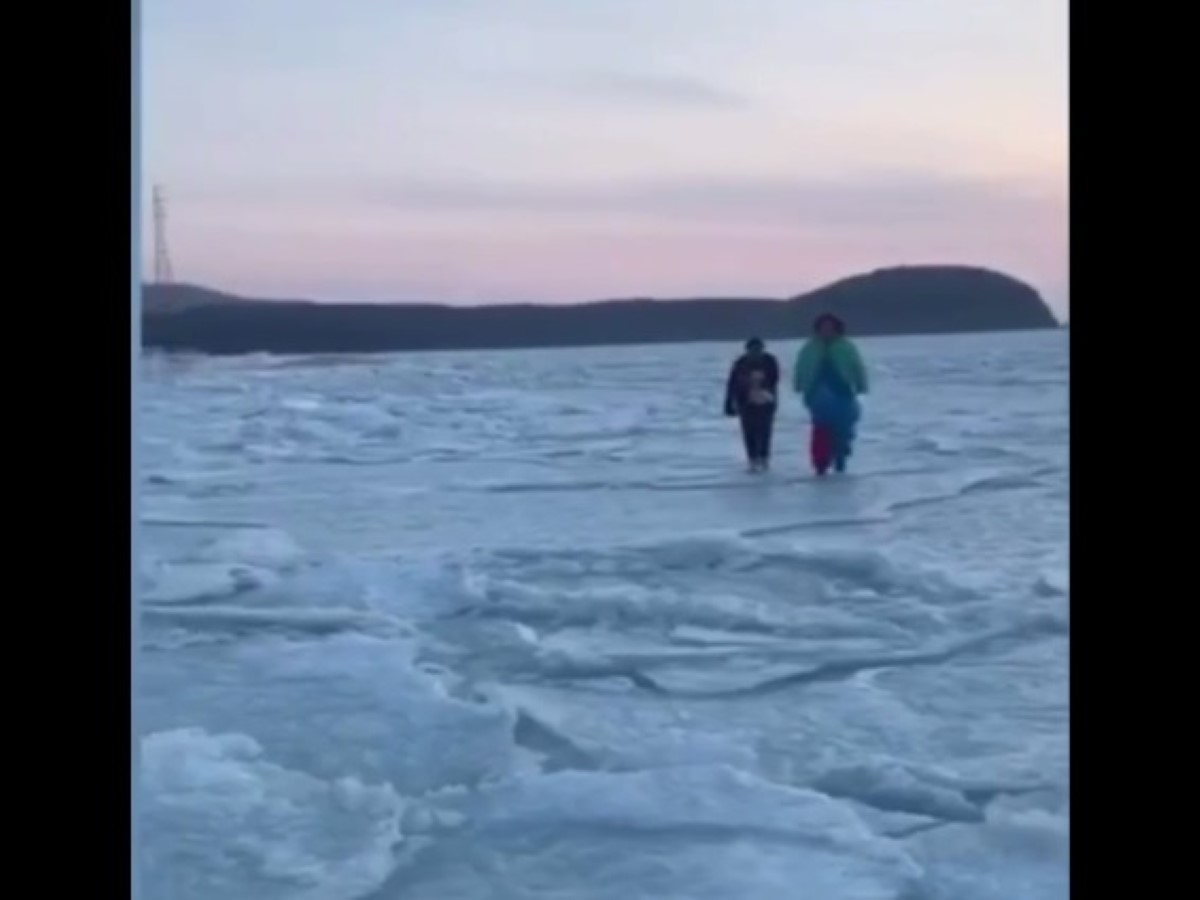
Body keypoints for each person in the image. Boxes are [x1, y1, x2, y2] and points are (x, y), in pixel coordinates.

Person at [792, 313, 868, 475]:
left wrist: (861, 384)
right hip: (817, 391)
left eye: (830, 327)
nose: (826, 330)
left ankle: (840, 455)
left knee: (843, 427)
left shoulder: (846, 347)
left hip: (842, 391)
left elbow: (857, 366)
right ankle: (820, 462)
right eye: (823, 327)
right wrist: (799, 384)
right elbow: (801, 365)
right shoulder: (810, 347)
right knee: (820, 429)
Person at [724, 337, 780, 472]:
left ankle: (764, 457)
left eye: (758, 349)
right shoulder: (740, 363)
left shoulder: (769, 361)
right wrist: (729, 402)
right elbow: (732, 383)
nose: (755, 352)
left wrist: (762, 381)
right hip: (745, 402)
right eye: (752, 349)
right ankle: (752, 458)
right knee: (749, 431)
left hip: (766, 400)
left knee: (765, 430)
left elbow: (775, 378)